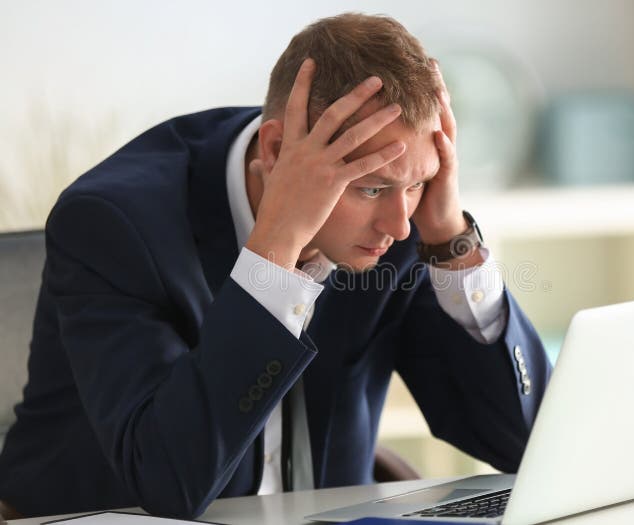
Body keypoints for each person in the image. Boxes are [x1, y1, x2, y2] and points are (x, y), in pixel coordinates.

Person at [0, 13, 551, 520]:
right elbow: (168, 481)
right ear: (276, 149)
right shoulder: (114, 224)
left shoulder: (404, 222)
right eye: (372, 188)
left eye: (418, 182)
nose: (399, 223)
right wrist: (274, 255)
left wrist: (451, 239)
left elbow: (523, 443)